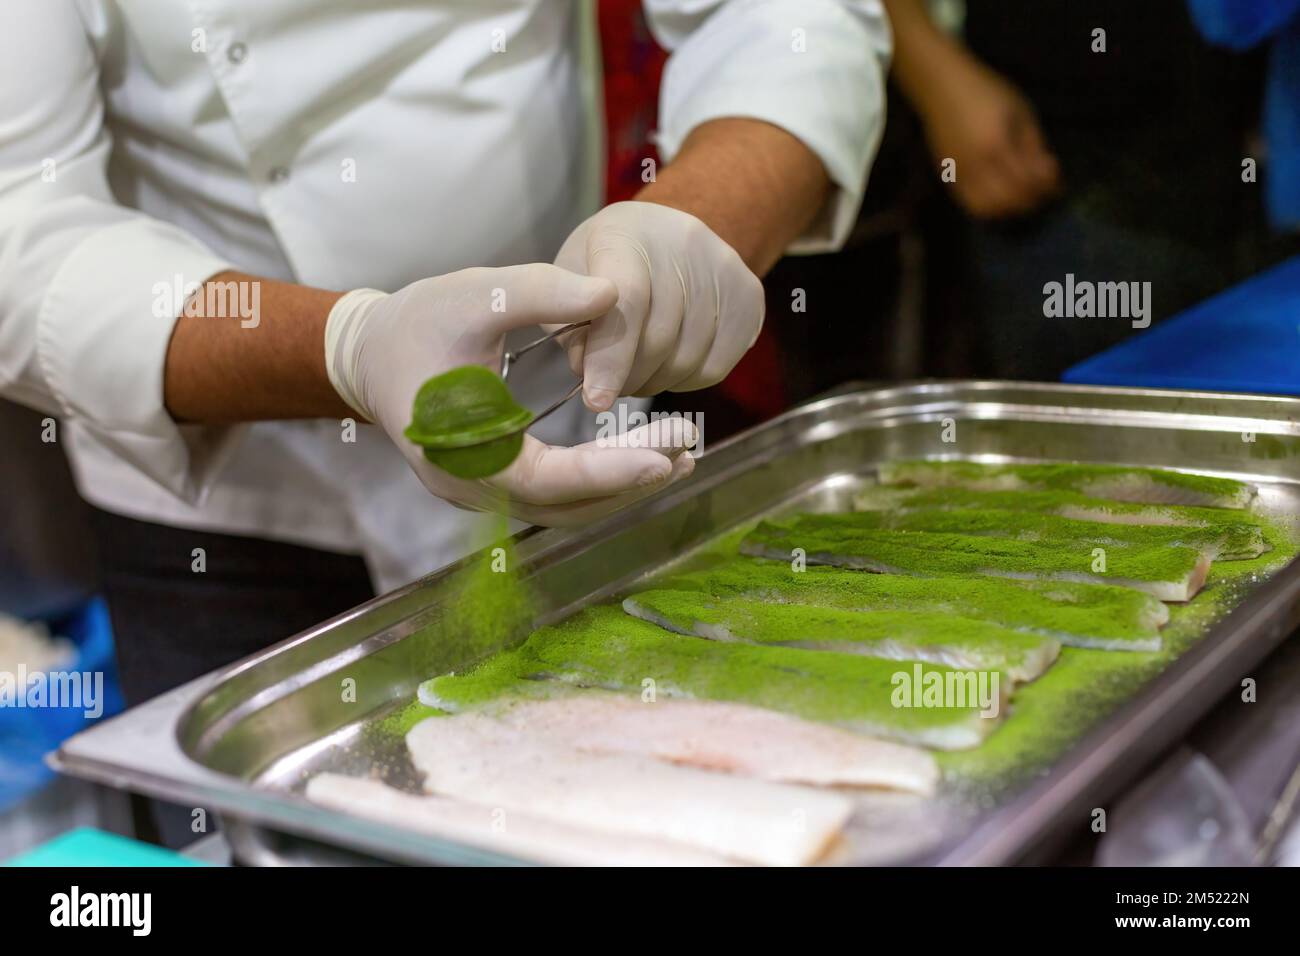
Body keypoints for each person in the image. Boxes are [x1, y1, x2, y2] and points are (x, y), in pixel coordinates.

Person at [0, 1, 891, 707]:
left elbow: (781, 15)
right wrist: (353, 347)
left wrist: (687, 232)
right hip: (233, 497)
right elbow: (18, 224)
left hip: (567, 410)